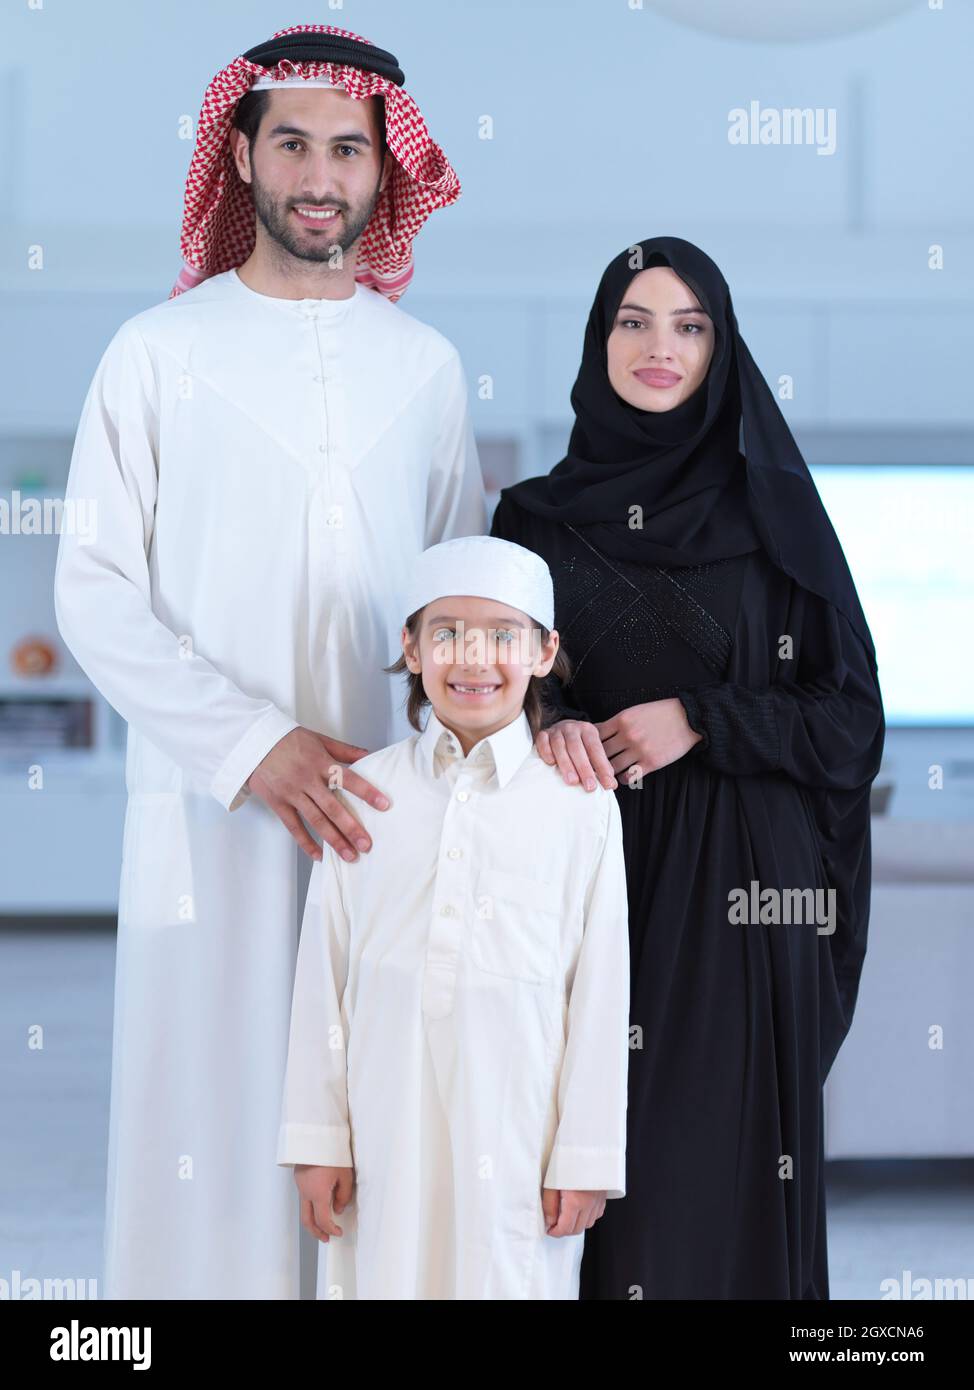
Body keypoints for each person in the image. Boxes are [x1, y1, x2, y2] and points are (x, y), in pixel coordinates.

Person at [53, 23, 486, 1299]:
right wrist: (254, 745)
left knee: (383, 1121)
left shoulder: (425, 368)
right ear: (239, 153)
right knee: (216, 1117)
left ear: (382, 172)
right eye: (291, 142)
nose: (319, 174)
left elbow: (458, 598)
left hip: (386, 818)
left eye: (347, 149)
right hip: (210, 821)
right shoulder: (154, 352)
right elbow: (92, 593)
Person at [490, 236, 886, 1299]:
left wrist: (701, 720)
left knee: (705, 1179)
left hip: (743, 897)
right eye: (632, 320)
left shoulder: (774, 518)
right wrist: (548, 718)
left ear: (719, 348)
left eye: (688, 324)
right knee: (586, 1183)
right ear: (598, 338)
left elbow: (849, 723)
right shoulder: (532, 521)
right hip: (589, 880)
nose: (657, 346)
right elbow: (493, 681)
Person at [275, 536, 630, 1299]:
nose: (474, 657)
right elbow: (322, 974)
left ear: (545, 652)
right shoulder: (364, 791)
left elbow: (601, 991)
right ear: (410, 648)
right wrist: (317, 1140)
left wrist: (587, 1156)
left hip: (519, 1128)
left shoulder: (580, 806)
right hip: (382, 1119)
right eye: (447, 633)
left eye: (502, 634)